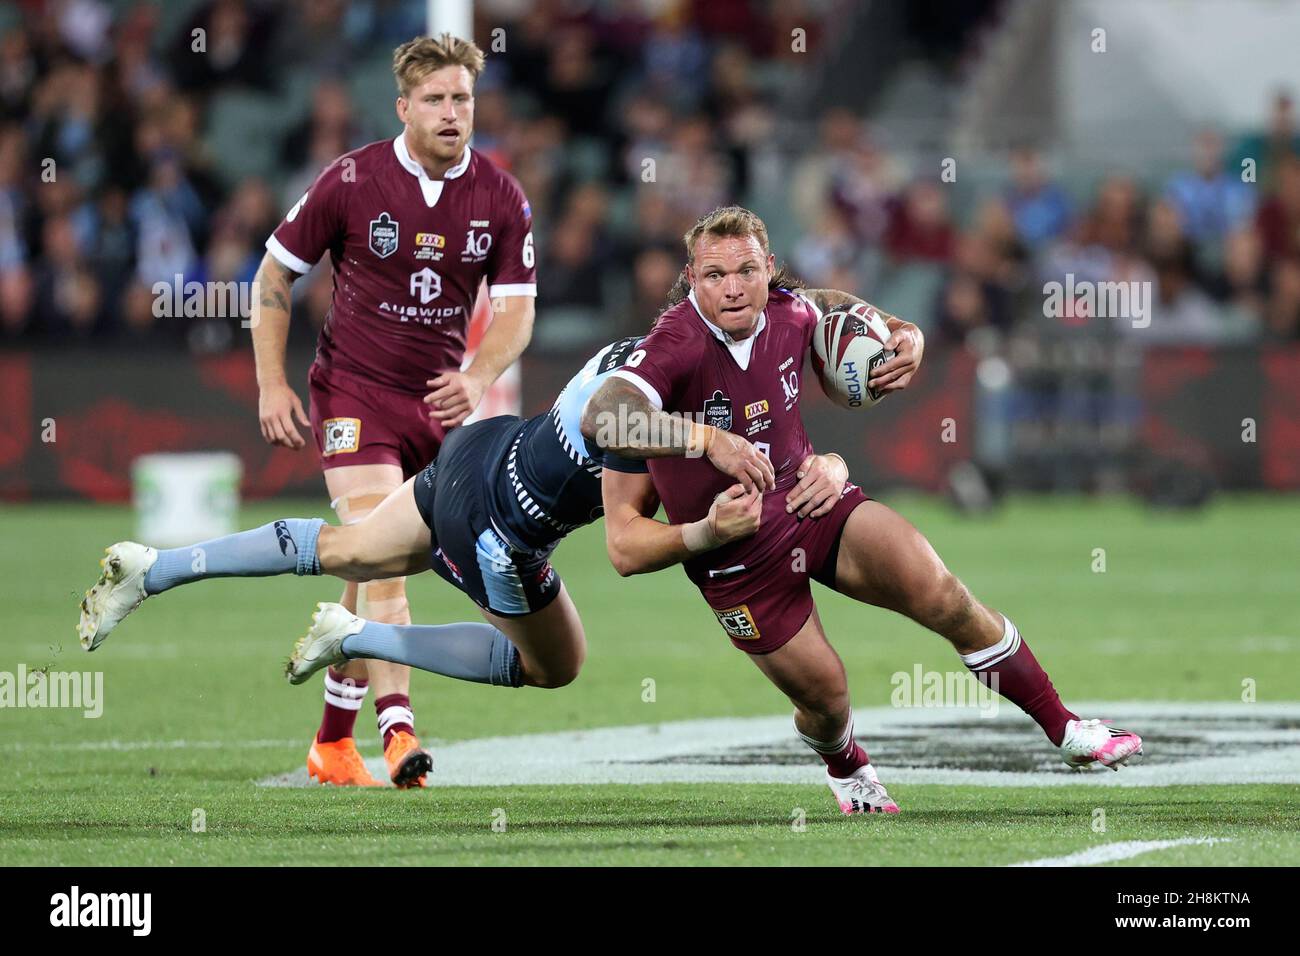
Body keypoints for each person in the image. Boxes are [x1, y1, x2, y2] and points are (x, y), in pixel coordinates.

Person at [581, 205, 1144, 815]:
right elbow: (603, 417)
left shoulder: (789, 311)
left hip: (813, 503)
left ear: (770, 269)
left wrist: (910, 337)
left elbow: (835, 304)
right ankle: (846, 766)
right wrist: (708, 442)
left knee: (943, 593)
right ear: (693, 279)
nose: (734, 287)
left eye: (747, 270)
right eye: (715, 275)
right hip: (735, 557)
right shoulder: (675, 343)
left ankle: (1067, 730)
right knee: (827, 699)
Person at [76, 337, 764, 764]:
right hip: (498, 529)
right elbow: (626, 547)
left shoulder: (644, 351)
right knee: (556, 665)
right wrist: (708, 526)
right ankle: (355, 634)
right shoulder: (653, 414)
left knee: (346, 550)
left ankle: (155, 568)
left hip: (479, 449)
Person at [250, 34, 537, 786]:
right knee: (383, 564)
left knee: (367, 557)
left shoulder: (501, 198)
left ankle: (330, 742)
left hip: (436, 412)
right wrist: (270, 385)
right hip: (353, 394)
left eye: (463, 98)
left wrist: (478, 376)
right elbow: (275, 275)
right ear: (404, 107)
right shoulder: (352, 180)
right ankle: (399, 731)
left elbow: (516, 313)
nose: (451, 112)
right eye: (436, 99)